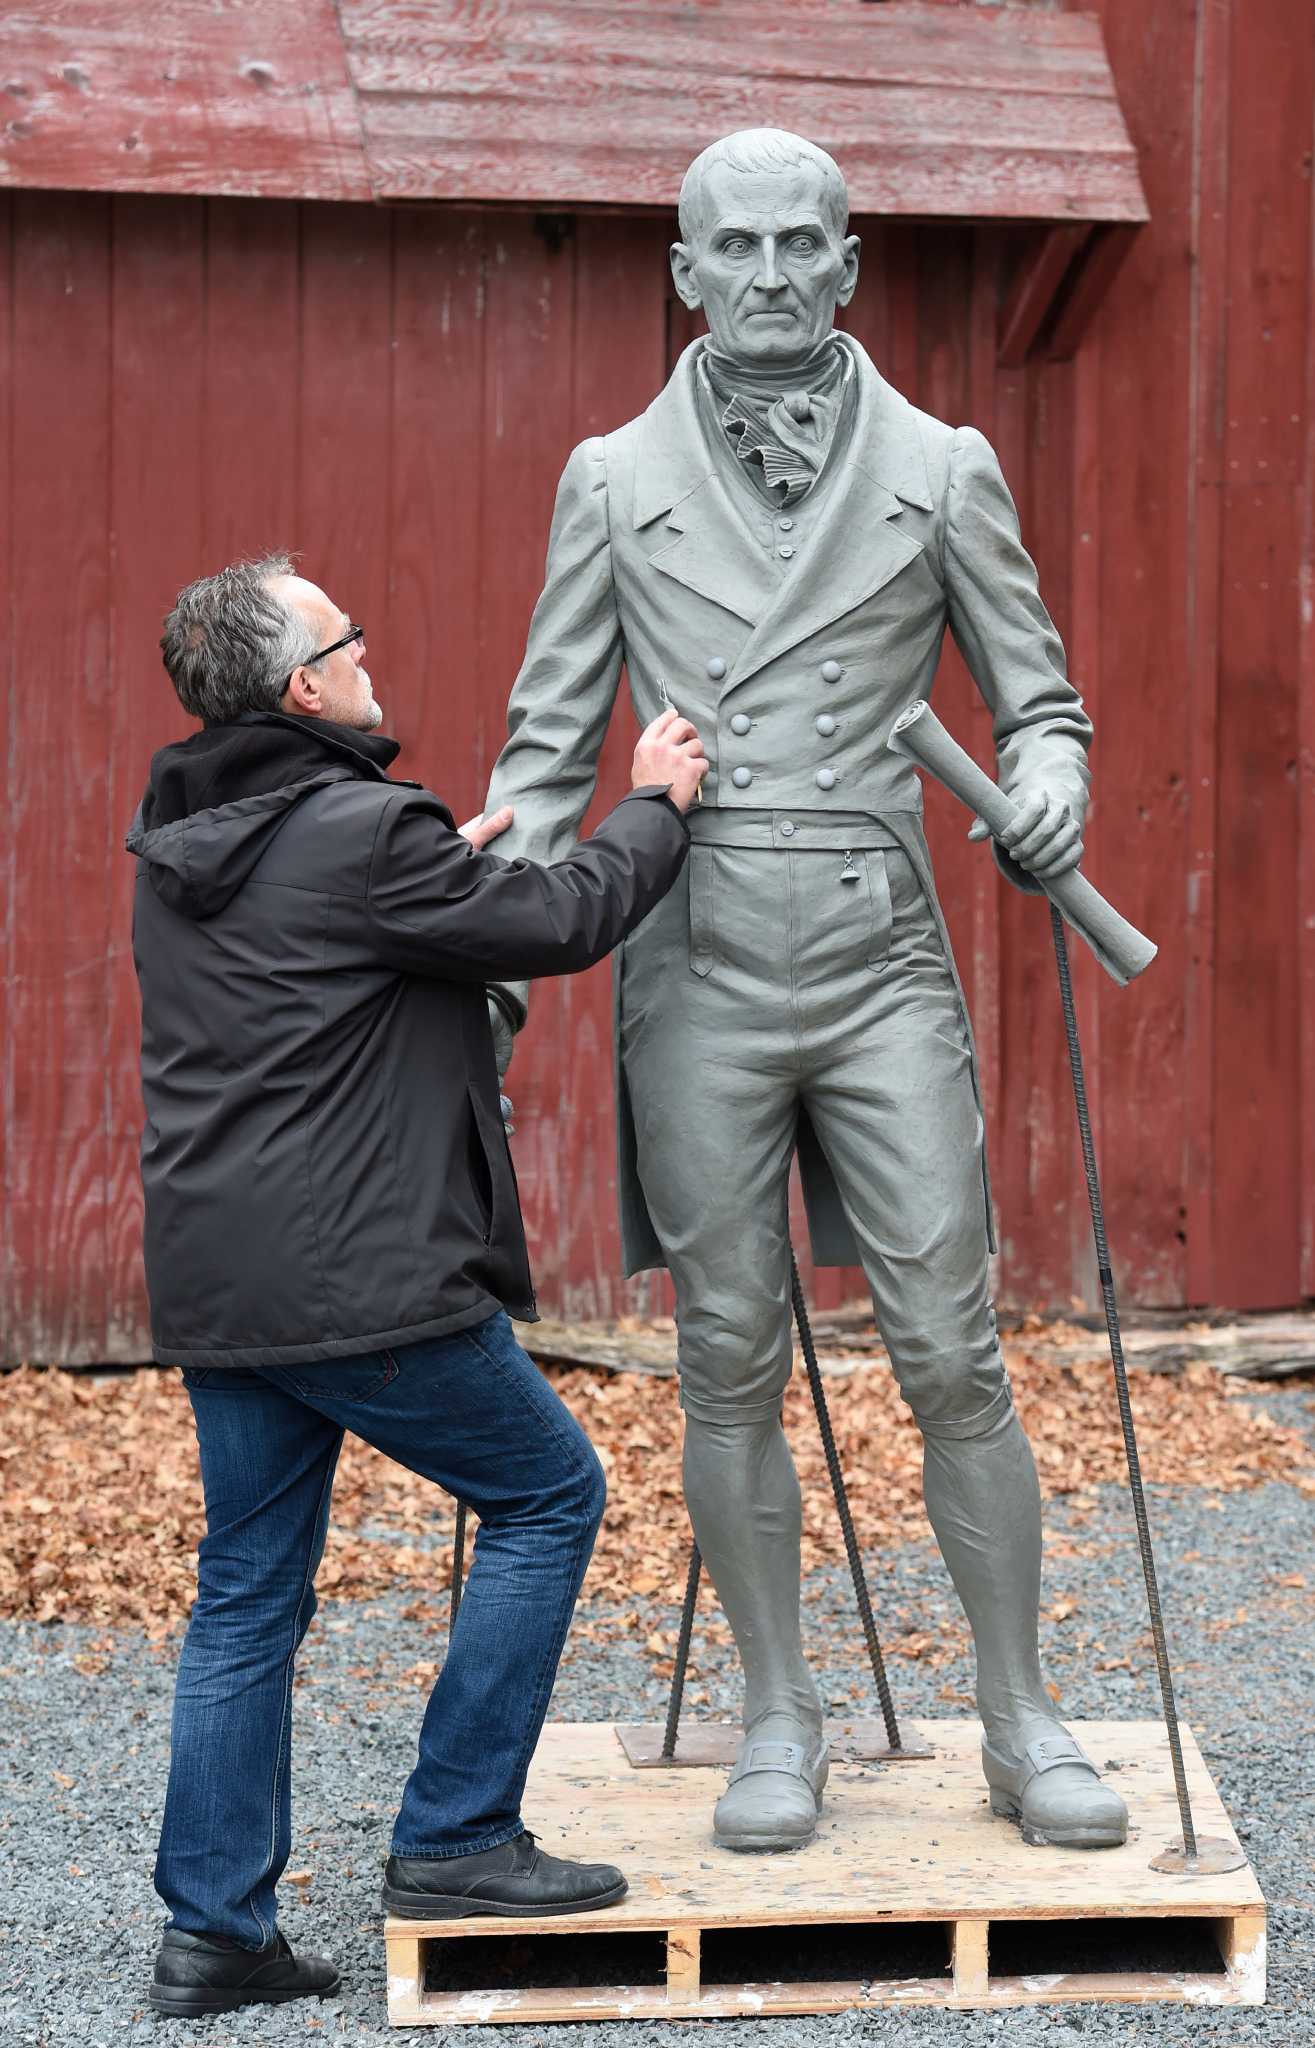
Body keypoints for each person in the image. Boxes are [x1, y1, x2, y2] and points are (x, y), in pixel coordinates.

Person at [483, 129, 1130, 1855]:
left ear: (848, 264)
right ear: (684, 272)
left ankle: (1020, 1715)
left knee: (954, 1346)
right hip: (697, 958)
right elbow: (545, 756)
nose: (768, 274)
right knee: (724, 1351)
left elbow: (1041, 704)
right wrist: (491, 948)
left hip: (877, 959)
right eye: (735, 246)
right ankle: (779, 1714)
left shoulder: (945, 466)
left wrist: (1050, 782)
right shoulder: (612, 479)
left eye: (799, 244)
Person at [129, 554, 706, 2019]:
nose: (368, 657)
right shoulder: (365, 833)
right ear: (304, 688)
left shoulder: (184, 838)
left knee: (246, 1592)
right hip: (360, 1277)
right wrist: (655, 805)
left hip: (224, 1280)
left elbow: (328, 955)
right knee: (549, 1494)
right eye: (350, 641)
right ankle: (457, 1837)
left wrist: (444, 878)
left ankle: (214, 1935)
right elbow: (564, 923)